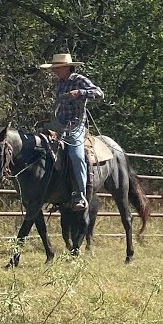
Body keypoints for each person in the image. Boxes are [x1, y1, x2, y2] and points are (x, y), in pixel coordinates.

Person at [40, 52, 104, 211]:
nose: (55, 71)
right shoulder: (59, 83)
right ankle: (47, 189)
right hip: (58, 124)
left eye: (57, 68)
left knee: (76, 155)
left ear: (67, 67)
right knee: (38, 144)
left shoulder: (79, 80)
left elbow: (99, 93)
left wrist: (80, 93)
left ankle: (80, 195)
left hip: (76, 124)